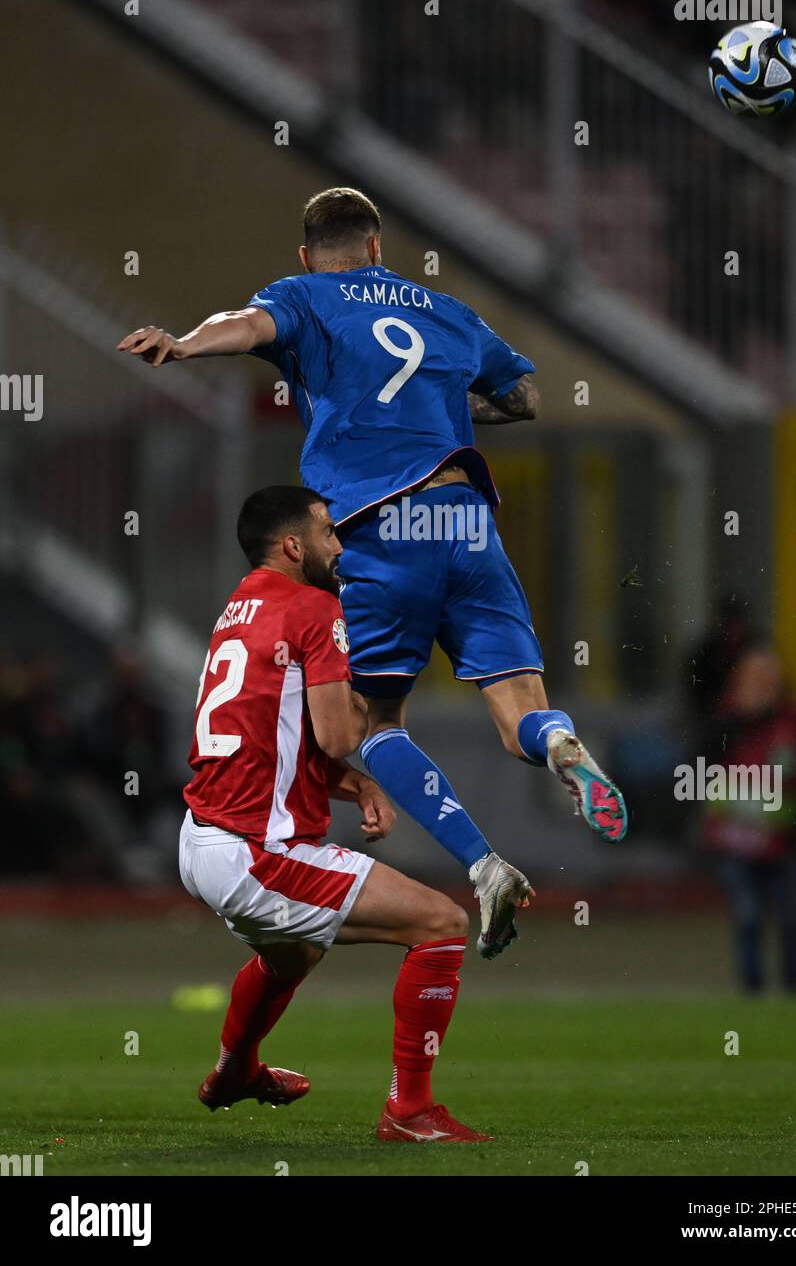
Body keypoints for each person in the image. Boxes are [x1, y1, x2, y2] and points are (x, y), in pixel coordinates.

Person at [119, 185, 627, 957]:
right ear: (379, 246)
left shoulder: (303, 297)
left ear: (305, 255)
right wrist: (442, 407)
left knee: (373, 725)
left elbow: (248, 324)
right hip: (465, 520)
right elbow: (522, 396)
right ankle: (560, 743)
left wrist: (186, 343)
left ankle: (483, 865)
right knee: (520, 708)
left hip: (383, 530)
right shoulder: (447, 311)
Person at [181, 485, 501, 1142]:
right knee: (440, 923)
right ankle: (409, 1111)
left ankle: (236, 1069)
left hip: (204, 838)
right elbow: (334, 733)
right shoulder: (312, 607)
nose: (339, 544)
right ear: (292, 545)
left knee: (291, 956)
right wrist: (381, 690)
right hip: (256, 850)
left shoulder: (238, 610)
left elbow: (273, 735)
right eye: (328, 532)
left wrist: (348, 784)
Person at [701, 642, 796, 994]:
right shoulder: (724, 723)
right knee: (748, 915)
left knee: (793, 920)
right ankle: (752, 993)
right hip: (737, 843)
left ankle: (794, 991)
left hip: (788, 841)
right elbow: (700, 774)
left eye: (768, 677)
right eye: (754, 677)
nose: (761, 685)